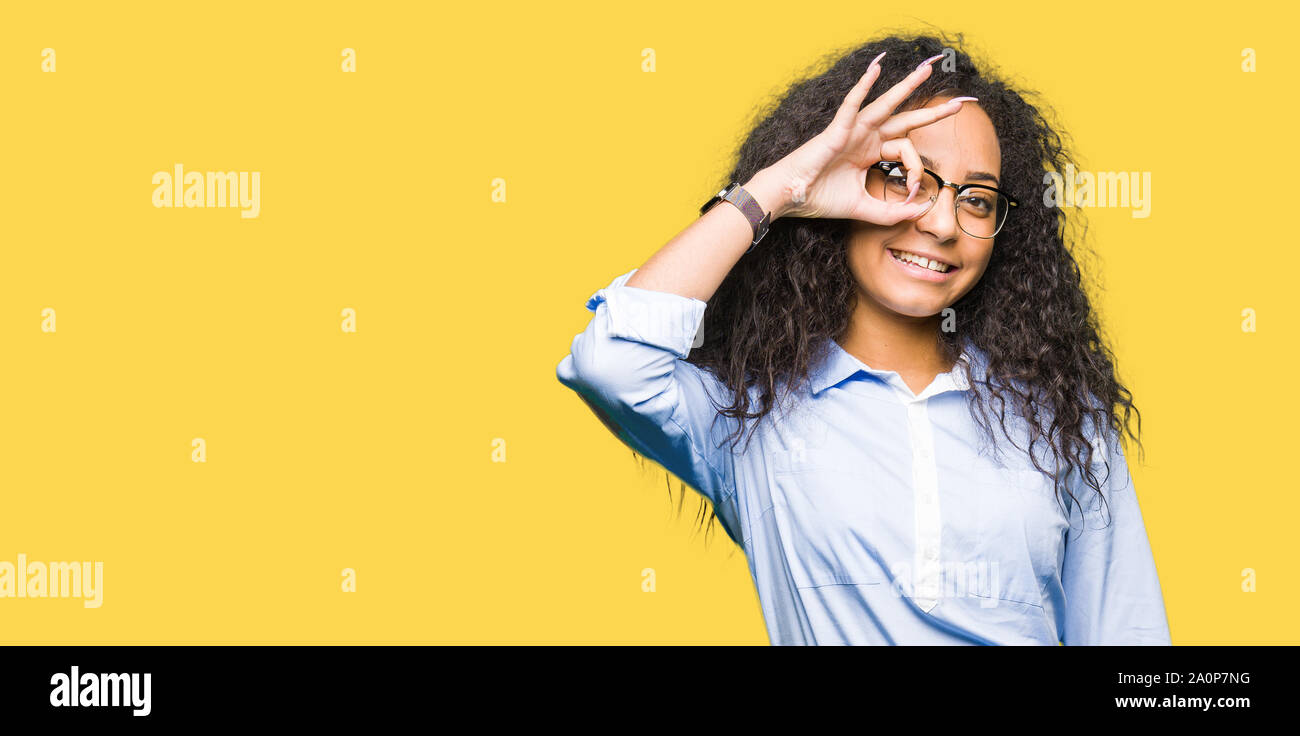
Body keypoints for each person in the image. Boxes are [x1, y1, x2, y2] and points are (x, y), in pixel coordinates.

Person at [556, 32, 1172, 645]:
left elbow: (1132, 640)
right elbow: (612, 363)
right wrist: (781, 191)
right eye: (902, 176)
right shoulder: (751, 413)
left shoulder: (1059, 416)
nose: (941, 222)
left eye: (977, 200)